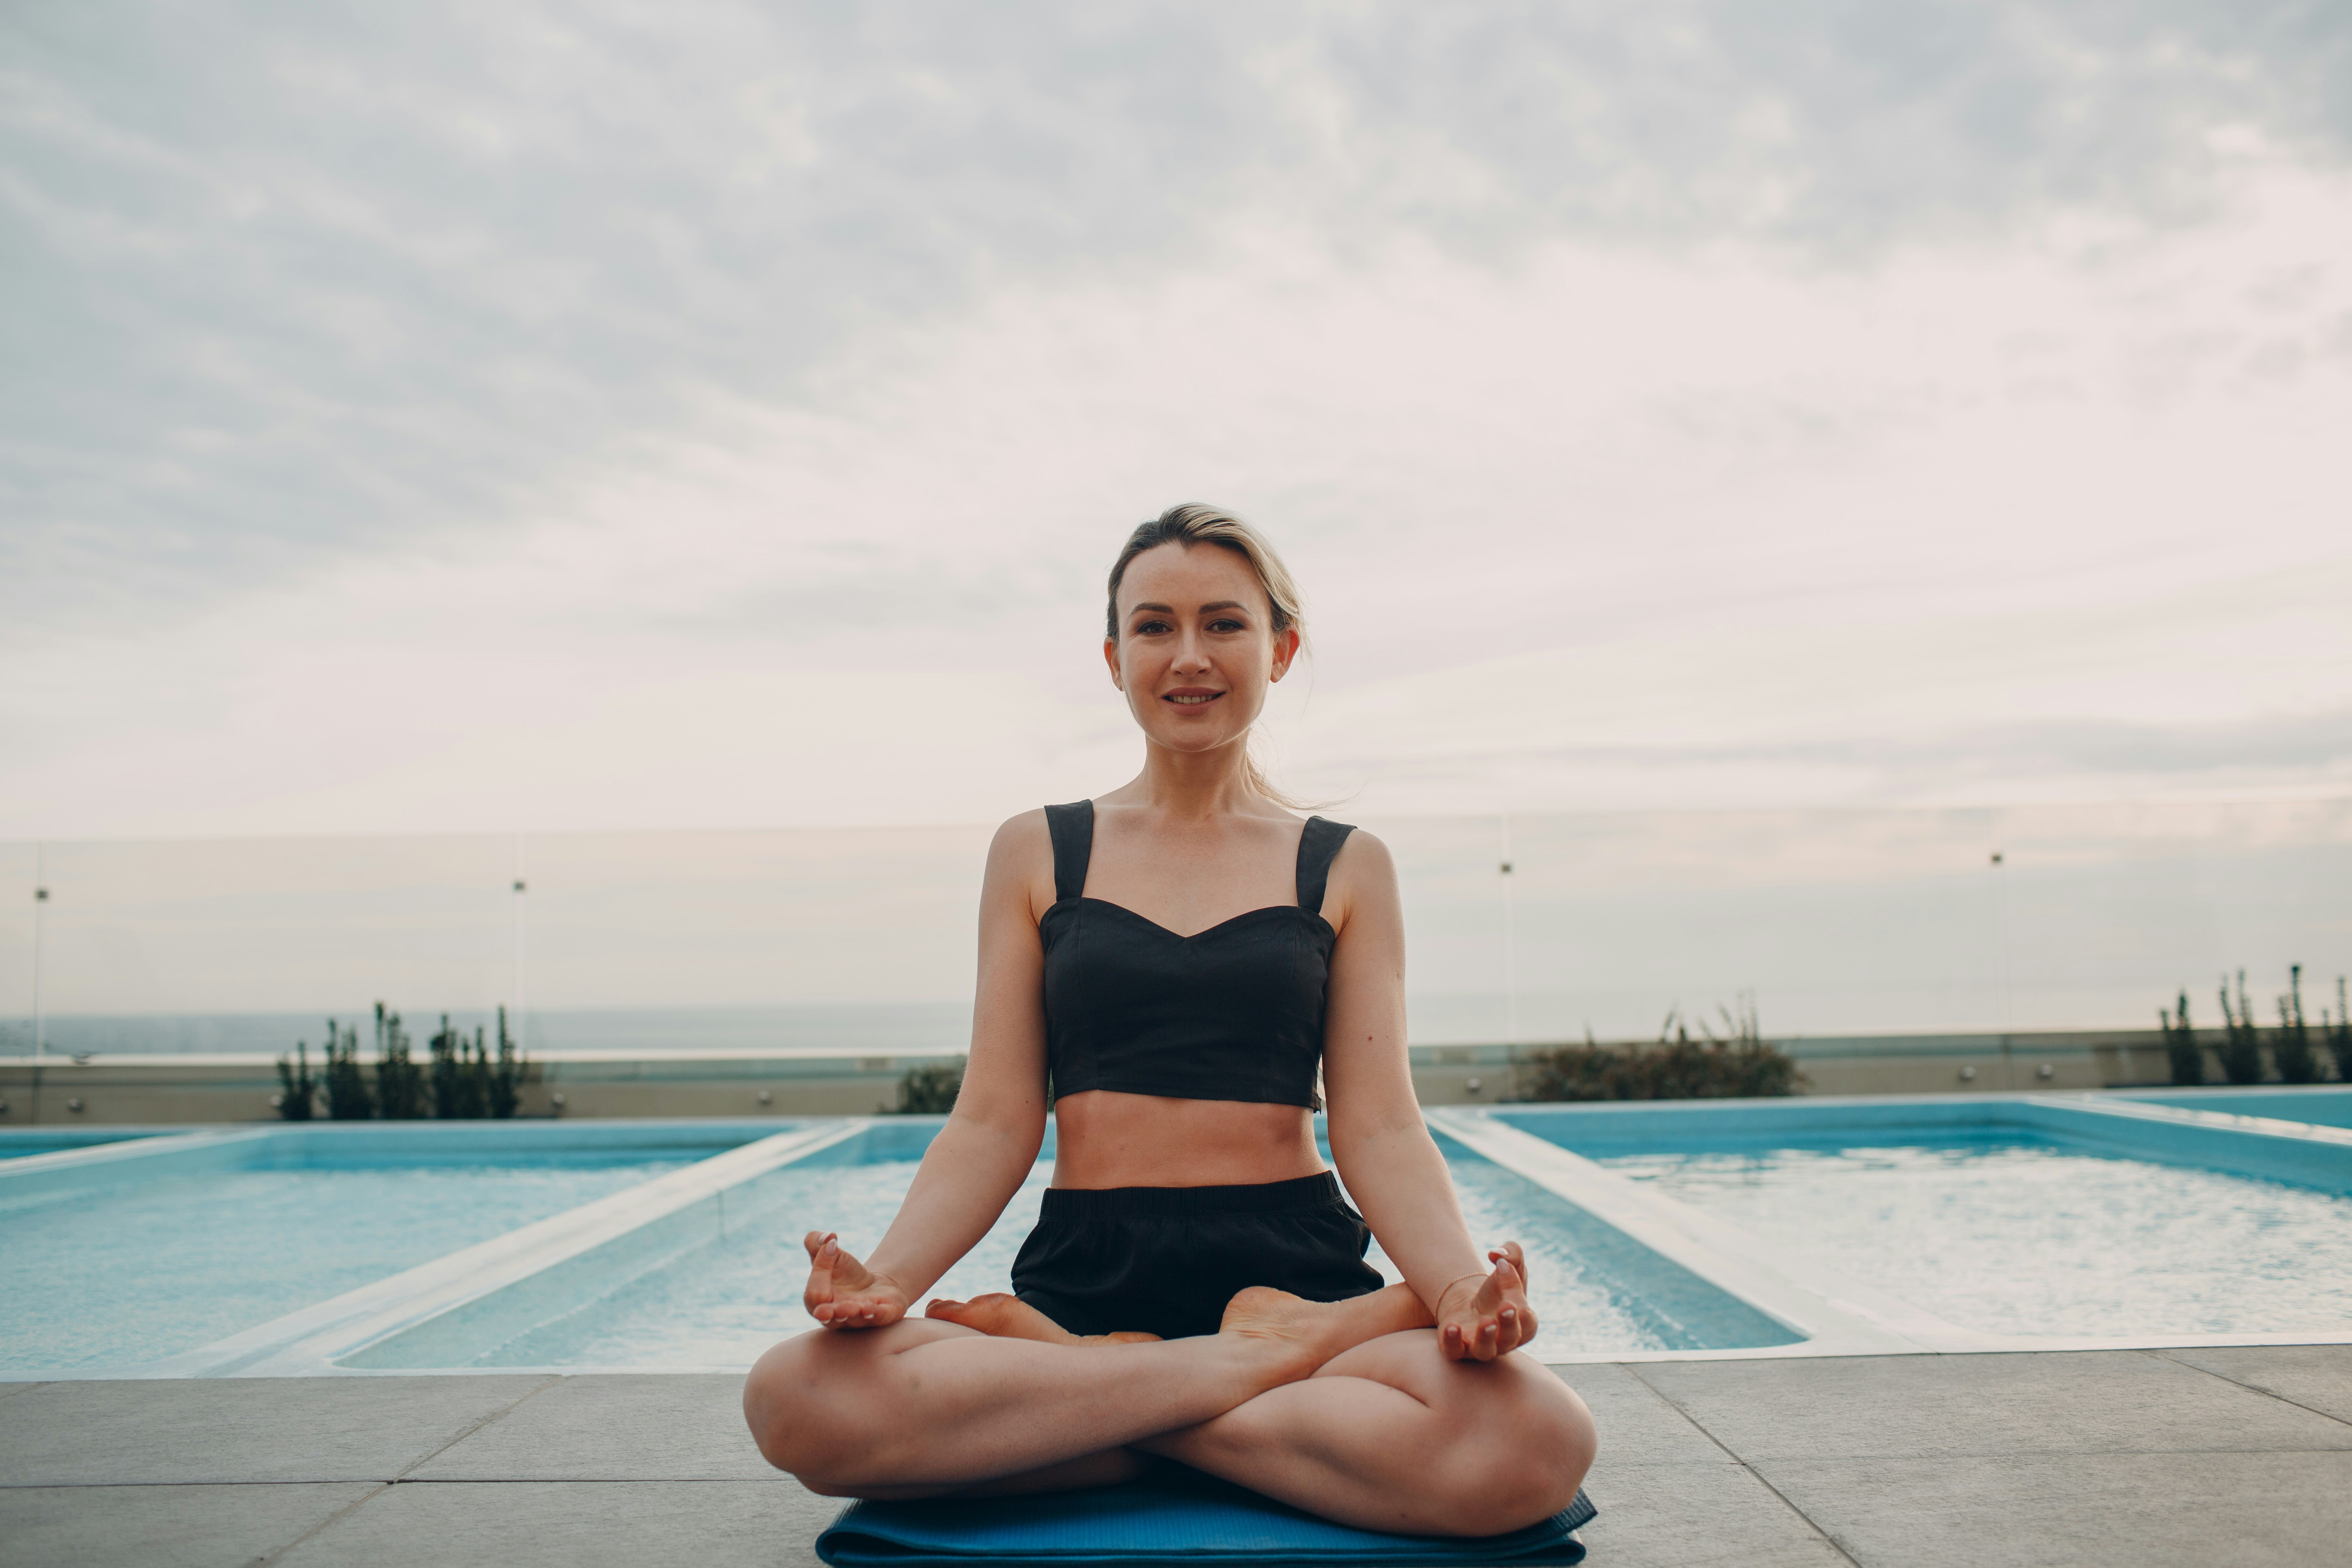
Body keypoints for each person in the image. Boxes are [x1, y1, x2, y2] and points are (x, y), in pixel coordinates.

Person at [743, 505, 1597, 1536]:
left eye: (1224, 624)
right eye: (1154, 627)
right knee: (797, 1401)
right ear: (1114, 658)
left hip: (1298, 1274)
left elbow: (1380, 1125)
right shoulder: (1036, 849)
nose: (1188, 656)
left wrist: (1456, 1282)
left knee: (1535, 1442)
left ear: (1280, 649)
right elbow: (992, 1120)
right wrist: (888, 1279)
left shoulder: (1346, 864)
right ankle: (1251, 1373)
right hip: (1090, 1273)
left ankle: (1092, 1403)